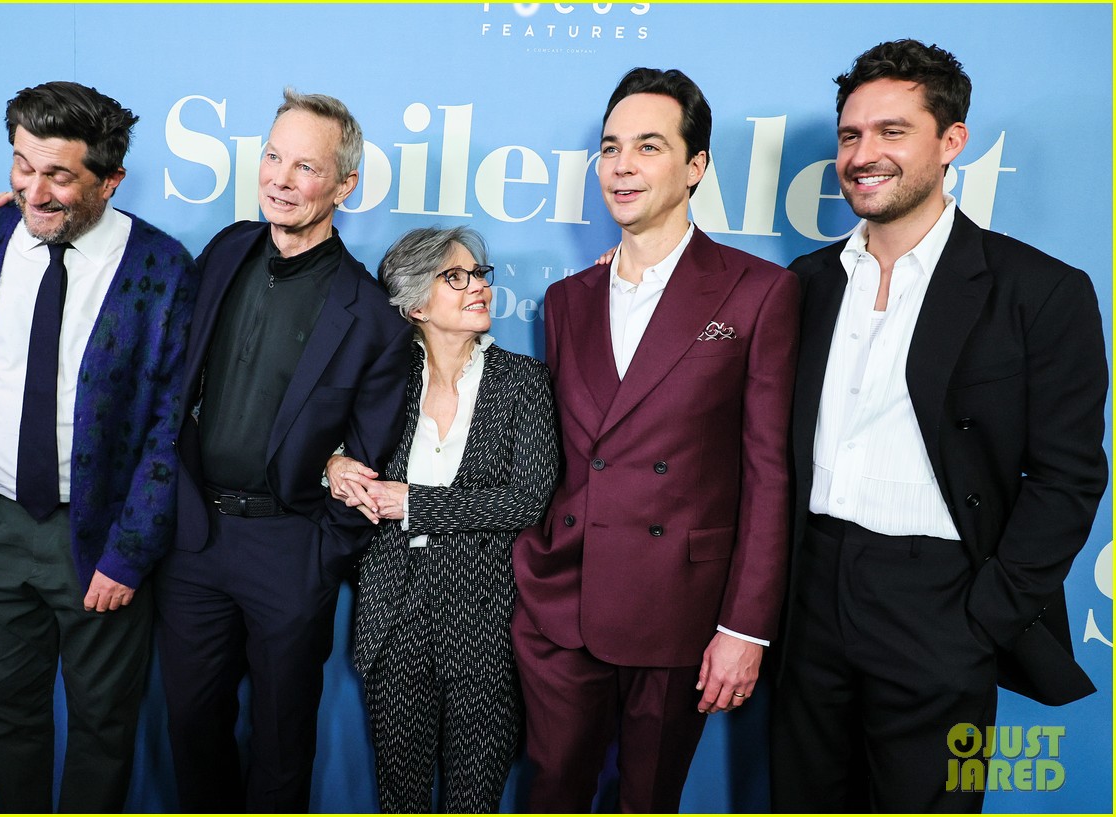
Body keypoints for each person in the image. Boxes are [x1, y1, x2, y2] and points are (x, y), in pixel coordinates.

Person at [770, 39, 1107, 812]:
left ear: (951, 142)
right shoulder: (805, 284)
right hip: (810, 590)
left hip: (941, 600)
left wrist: (983, 617)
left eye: (892, 132)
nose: (864, 154)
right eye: (851, 135)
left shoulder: (1040, 291)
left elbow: (1069, 476)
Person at [0, 81, 196, 812]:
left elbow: (172, 426)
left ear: (109, 180)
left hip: (98, 539)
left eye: (59, 175)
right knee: (4, 715)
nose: (35, 189)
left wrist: (128, 551)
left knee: (103, 723)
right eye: (23, 165)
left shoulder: (160, 268)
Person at [510, 67, 799, 812]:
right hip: (563, 602)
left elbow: (769, 472)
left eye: (648, 146)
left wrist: (745, 626)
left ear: (695, 166)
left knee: (647, 800)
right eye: (610, 148)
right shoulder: (566, 299)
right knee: (552, 795)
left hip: (680, 608)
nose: (623, 166)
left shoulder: (757, 291)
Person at [154, 89, 412, 813]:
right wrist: (32, 223)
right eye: (273, 156)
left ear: (343, 185)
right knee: (190, 723)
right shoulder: (228, 247)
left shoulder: (373, 319)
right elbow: (138, 297)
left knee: (279, 740)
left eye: (305, 166)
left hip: (289, 549)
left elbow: (368, 463)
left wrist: (318, 557)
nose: (280, 177)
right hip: (195, 539)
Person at [324, 226, 559, 812]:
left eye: (479, 274)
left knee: (475, 798)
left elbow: (528, 499)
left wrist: (415, 502)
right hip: (394, 610)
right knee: (399, 797)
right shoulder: (380, 379)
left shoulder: (522, 381)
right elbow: (311, 443)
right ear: (414, 304)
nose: (478, 287)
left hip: (487, 619)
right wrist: (333, 465)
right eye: (455, 277)